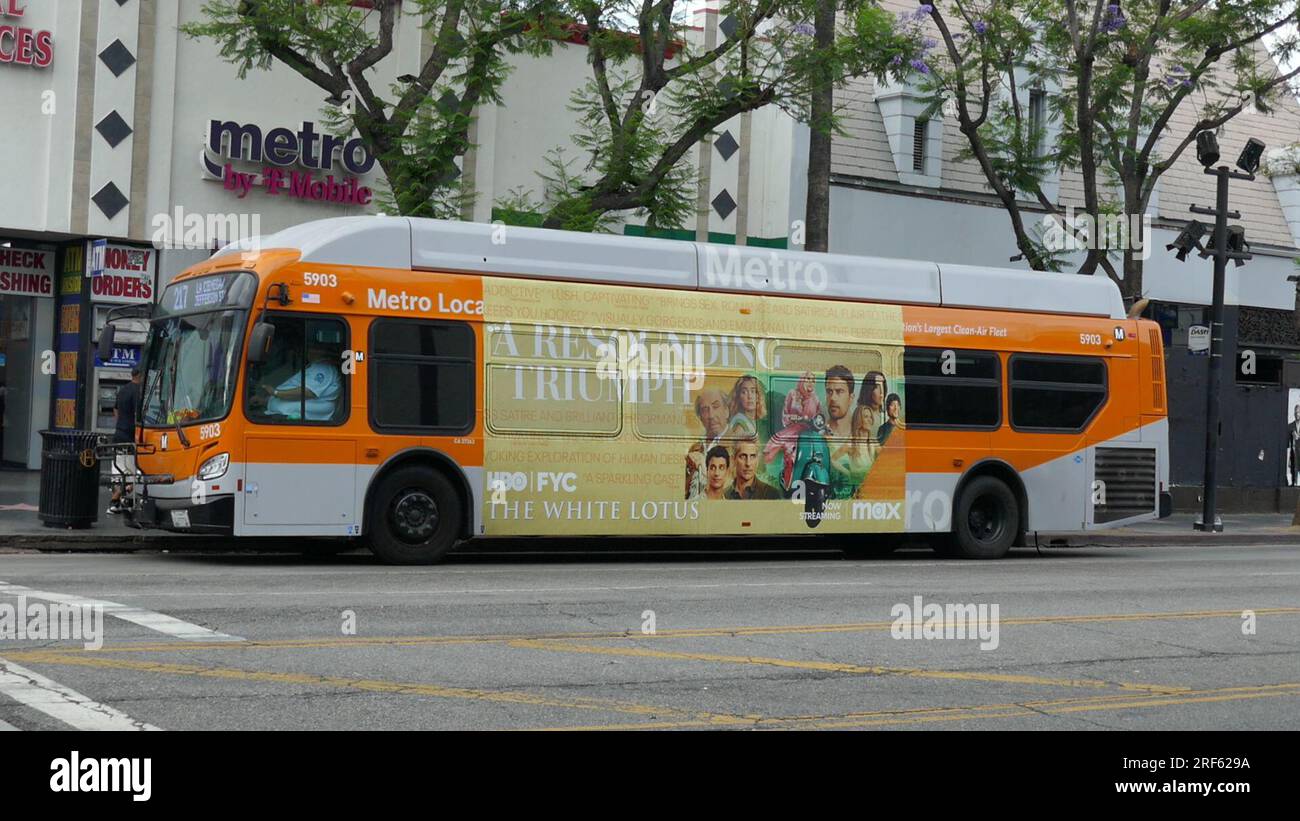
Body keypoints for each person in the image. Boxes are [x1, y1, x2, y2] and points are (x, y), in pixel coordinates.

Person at [256, 339, 342, 421]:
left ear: (322, 351)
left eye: (313, 348)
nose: (308, 351)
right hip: (279, 416)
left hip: (292, 420)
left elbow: (308, 392)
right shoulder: (314, 366)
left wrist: (276, 393)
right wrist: (265, 401)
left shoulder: (323, 368)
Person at [764, 370, 822, 489]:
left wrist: (819, 425)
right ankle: (786, 483)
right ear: (802, 380)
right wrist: (793, 418)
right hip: (792, 429)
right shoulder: (792, 394)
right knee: (782, 448)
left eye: (813, 380)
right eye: (808, 379)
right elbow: (785, 414)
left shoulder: (815, 399)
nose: (811, 382)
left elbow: (819, 418)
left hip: (808, 432)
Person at [107, 367, 142, 514]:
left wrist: (120, 422)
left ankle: (121, 500)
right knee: (136, 473)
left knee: (119, 471)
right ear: (140, 375)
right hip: (130, 436)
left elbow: (115, 409)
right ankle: (115, 501)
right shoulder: (138, 392)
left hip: (119, 434)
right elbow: (138, 415)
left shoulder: (122, 390)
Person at [685, 388, 730, 499]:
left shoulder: (739, 445)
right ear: (700, 417)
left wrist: (703, 467)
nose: (711, 415)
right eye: (705, 409)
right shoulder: (695, 448)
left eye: (716, 407)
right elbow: (685, 492)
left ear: (726, 411)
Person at [723, 374, 766, 440]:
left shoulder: (750, 420)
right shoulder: (740, 423)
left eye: (753, 391)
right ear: (738, 397)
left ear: (758, 396)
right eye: (744, 392)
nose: (749, 396)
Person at [822, 365, 856, 440]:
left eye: (839, 391)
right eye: (829, 391)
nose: (833, 398)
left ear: (851, 398)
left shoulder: (860, 434)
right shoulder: (819, 435)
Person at [1288, 404, 1300, 486]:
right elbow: (1287, 443)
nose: (1297, 414)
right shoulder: (1290, 426)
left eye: (1299, 412)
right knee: (1294, 480)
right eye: (1295, 412)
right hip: (1294, 456)